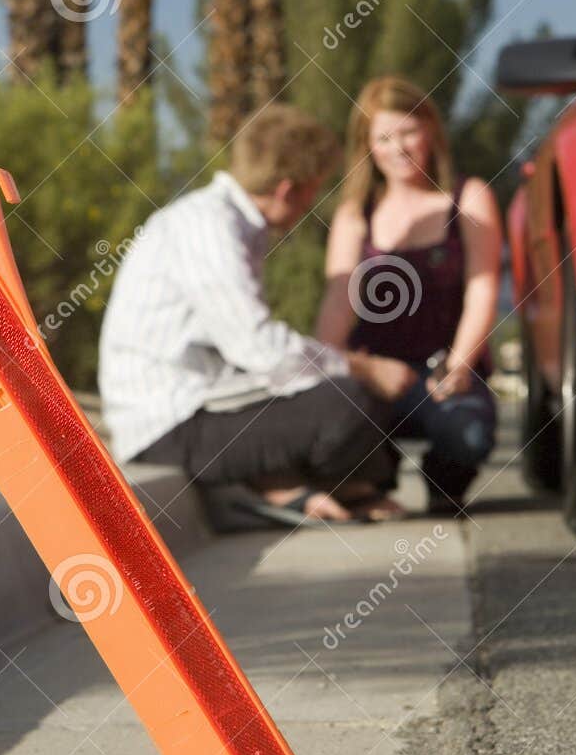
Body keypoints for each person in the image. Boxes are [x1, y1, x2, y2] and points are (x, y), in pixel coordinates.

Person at [99, 104, 417, 527]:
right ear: (287, 189)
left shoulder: (229, 223)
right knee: (350, 403)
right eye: (312, 190)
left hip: (199, 409)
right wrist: (362, 366)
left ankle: (296, 484)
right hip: (167, 428)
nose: (309, 205)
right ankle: (315, 486)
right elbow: (260, 348)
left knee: (352, 403)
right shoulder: (208, 226)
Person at [316, 76, 503, 515]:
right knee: (331, 424)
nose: (397, 148)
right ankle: (375, 476)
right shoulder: (353, 215)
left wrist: (458, 367)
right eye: (383, 137)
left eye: (408, 132)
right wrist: (336, 371)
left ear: (431, 132)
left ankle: (446, 480)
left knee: (468, 433)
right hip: (375, 374)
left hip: (444, 371)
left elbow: (482, 287)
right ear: (366, 145)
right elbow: (336, 306)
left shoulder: (468, 198)